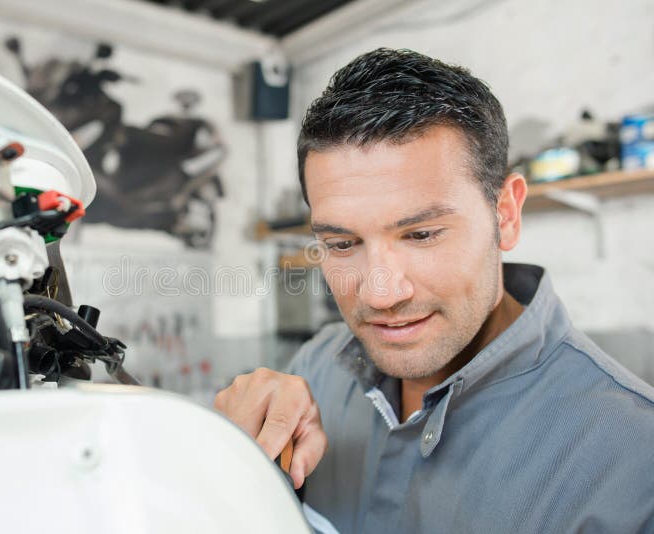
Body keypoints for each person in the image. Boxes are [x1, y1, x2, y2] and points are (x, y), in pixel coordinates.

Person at [214, 48, 654, 533]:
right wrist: (235, 461)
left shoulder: (634, 460)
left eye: (421, 235)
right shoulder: (317, 368)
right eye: (342, 244)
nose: (380, 295)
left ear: (506, 216)